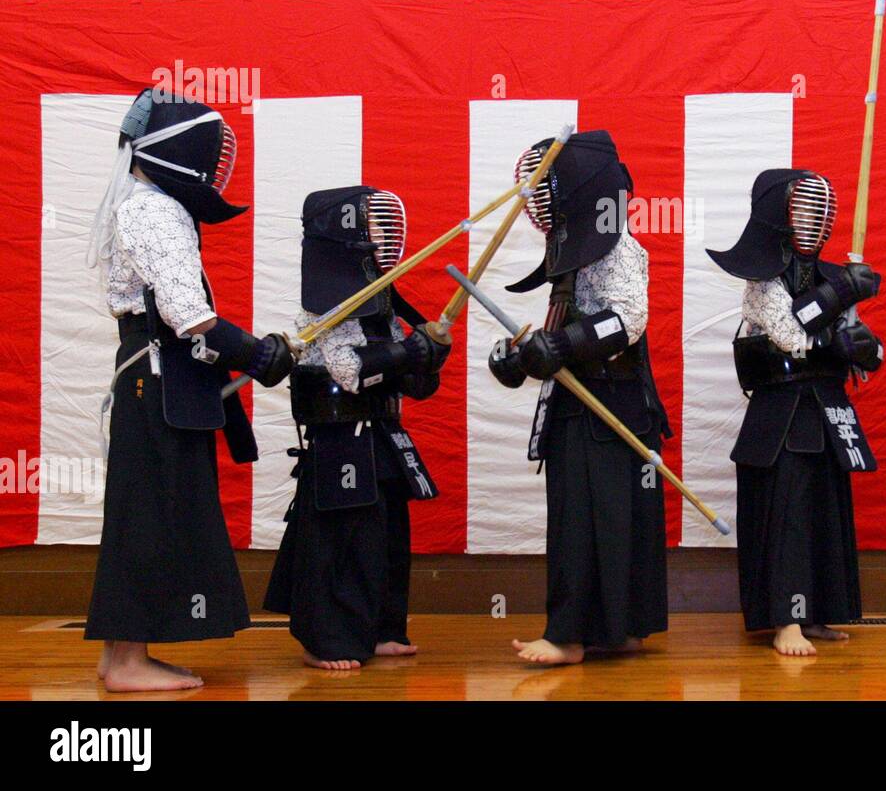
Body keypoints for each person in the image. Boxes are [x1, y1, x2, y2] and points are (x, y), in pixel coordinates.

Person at [84, 89, 294, 692]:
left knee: (143, 514)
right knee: (152, 518)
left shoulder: (142, 203)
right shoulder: (155, 210)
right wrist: (256, 353)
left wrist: (252, 352)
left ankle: (122, 654)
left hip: (153, 378)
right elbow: (188, 316)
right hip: (159, 380)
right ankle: (126, 663)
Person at [488, 131, 670, 665]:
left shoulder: (618, 245)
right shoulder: (573, 254)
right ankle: (609, 629)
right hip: (586, 407)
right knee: (589, 517)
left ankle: (580, 634)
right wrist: (521, 356)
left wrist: (562, 343)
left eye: (549, 184)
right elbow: (560, 331)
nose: (541, 197)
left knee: (604, 519)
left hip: (611, 407)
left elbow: (627, 320)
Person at [264, 186, 448, 668]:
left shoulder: (380, 292)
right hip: (339, 435)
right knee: (343, 538)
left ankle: (379, 629)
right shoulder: (324, 299)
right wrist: (410, 351)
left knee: (386, 534)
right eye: (368, 225)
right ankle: (329, 640)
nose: (381, 233)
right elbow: (348, 370)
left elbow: (401, 377)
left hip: (381, 428)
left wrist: (427, 358)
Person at [707, 169, 883, 656]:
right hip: (779, 411)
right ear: (778, 218)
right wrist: (840, 295)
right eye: (801, 210)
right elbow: (791, 334)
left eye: (818, 211)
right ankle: (785, 619)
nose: (812, 220)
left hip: (828, 409)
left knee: (825, 512)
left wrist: (867, 349)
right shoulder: (761, 281)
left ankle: (819, 612)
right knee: (786, 516)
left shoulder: (835, 275)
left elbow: (861, 344)